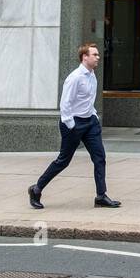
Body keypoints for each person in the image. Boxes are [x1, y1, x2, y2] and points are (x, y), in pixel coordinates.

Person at [28, 42, 120, 209]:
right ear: (85, 57)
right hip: (73, 123)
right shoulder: (75, 77)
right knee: (63, 161)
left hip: (90, 122)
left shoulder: (92, 75)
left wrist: (94, 116)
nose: (98, 57)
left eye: (98, 55)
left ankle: (101, 196)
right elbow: (65, 104)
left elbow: (88, 100)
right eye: (95, 55)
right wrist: (71, 125)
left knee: (100, 158)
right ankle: (36, 189)